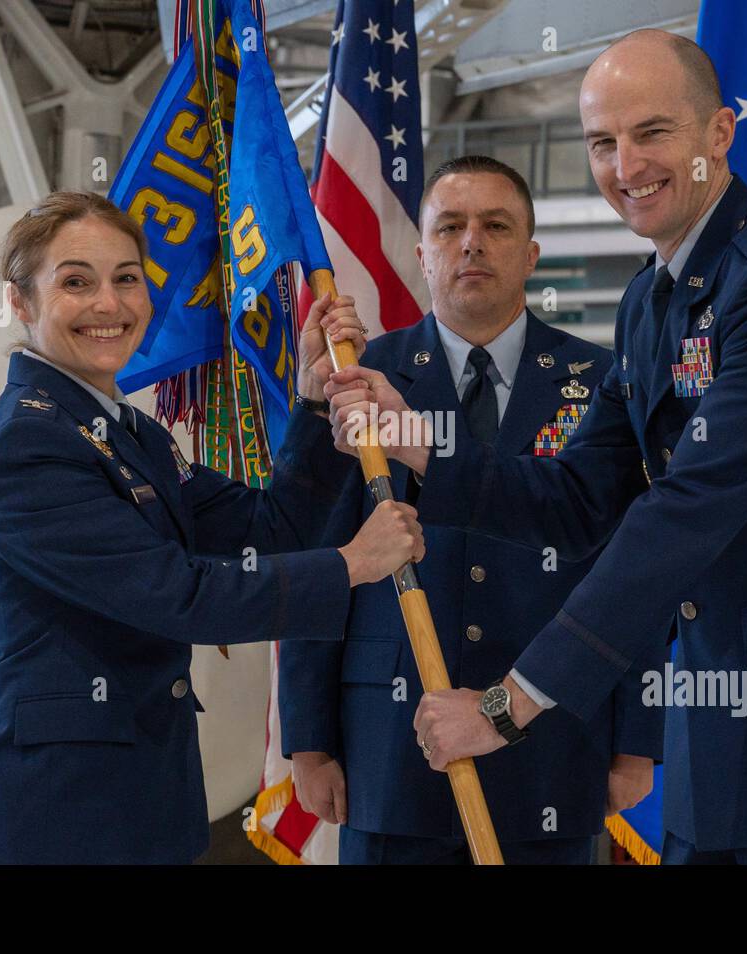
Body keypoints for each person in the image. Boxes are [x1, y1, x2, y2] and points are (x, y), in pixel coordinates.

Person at [326, 31, 747, 864]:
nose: (626, 165)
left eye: (652, 132)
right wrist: (420, 449)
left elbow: (687, 509)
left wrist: (507, 705)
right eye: (601, 142)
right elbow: (584, 496)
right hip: (717, 764)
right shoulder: (649, 304)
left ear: (719, 135)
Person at [0, 191, 422, 864]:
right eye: (76, 282)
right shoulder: (32, 445)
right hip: (48, 812)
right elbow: (179, 598)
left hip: (136, 799)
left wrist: (311, 401)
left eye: (126, 278)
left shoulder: (127, 434)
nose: (109, 304)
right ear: (20, 302)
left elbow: (268, 530)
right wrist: (351, 565)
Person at [280, 156, 664, 865]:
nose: (472, 243)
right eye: (450, 227)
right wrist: (308, 737)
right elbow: (315, 560)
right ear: (422, 253)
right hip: (388, 744)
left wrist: (637, 739)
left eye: (496, 226)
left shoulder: (603, 383)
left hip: (554, 737)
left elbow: (635, 567)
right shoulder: (362, 379)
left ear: (530, 253)